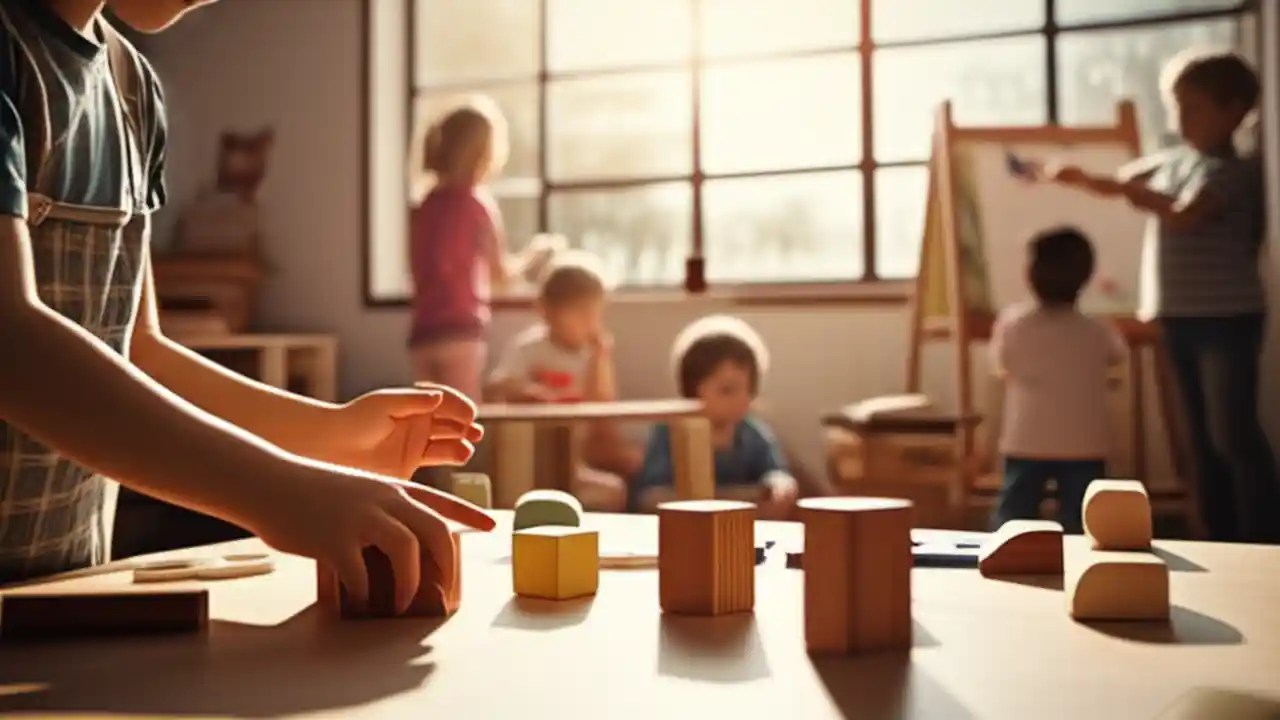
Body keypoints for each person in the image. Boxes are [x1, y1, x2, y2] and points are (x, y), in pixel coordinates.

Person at [0, 0, 493, 613]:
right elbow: (11, 343)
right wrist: (279, 493)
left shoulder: (131, 89)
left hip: (59, 595)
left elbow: (141, 353)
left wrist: (334, 435)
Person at [1029, 50, 1278, 542]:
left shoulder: (1234, 170)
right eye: (1176, 107)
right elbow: (1124, 184)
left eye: (1193, 108)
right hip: (1177, 317)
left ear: (1233, 112)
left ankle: (1264, 537)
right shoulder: (1176, 160)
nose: (1180, 120)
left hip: (1226, 317)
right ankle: (1221, 538)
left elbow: (1186, 214)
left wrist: (1132, 192)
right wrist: (1081, 178)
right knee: (1198, 443)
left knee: (1232, 434)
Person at [406, 96, 558, 400]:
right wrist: (535, 255)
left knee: (427, 427)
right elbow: (501, 274)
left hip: (422, 333)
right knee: (461, 424)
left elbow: (416, 267)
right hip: (460, 332)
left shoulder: (423, 207)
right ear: (486, 153)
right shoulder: (476, 205)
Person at [989, 229, 1126, 533]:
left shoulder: (1013, 325)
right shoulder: (1097, 330)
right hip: (1086, 442)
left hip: (1026, 440)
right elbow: (1117, 359)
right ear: (1085, 277)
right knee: (1084, 518)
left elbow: (1003, 367)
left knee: (1015, 514)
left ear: (1029, 274)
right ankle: (1083, 567)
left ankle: (1002, 562)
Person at [486, 256, 637, 511]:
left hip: (575, 462)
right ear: (547, 311)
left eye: (595, 312)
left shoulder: (592, 355)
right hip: (528, 461)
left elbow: (602, 409)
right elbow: (496, 386)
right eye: (580, 312)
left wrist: (600, 361)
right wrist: (527, 392)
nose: (590, 322)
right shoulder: (530, 348)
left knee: (615, 489)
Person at [631, 316, 798, 519]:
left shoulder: (752, 433)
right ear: (693, 390)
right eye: (727, 390)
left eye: (748, 390)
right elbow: (650, 496)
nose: (741, 399)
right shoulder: (670, 433)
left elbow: (776, 472)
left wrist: (779, 485)